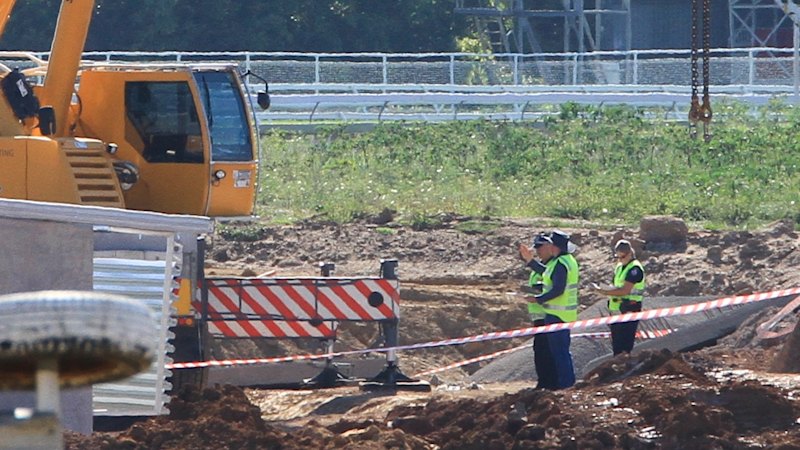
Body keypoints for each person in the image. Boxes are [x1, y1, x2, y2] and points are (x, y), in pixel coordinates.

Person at [518, 230, 578, 390]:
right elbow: (547, 274)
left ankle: (565, 387)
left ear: (553, 246)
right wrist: (530, 261)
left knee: (559, 354)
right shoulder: (564, 261)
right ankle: (563, 385)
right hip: (561, 314)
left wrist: (538, 298)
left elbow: (558, 289)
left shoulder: (561, 263)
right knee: (559, 352)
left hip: (558, 314)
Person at [592, 239, 646, 355]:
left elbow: (625, 290)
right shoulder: (620, 267)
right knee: (617, 345)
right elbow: (618, 286)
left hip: (629, 308)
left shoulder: (634, 269)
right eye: (618, 257)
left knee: (625, 345)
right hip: (617, 309)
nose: (620, 260)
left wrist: (605, 292)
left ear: (630, 253)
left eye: (623, 257)